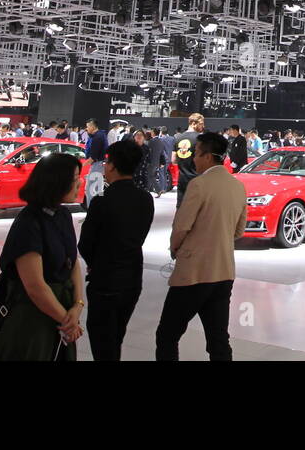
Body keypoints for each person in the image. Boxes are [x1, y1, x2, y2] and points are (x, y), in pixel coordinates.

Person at [155, 131, 247, 361]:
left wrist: (175, 249)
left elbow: (181, 227)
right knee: (218, 340)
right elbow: (239, 231)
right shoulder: (237, 186)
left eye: (196, 154)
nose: (193, 159)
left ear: (207, 156)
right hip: (224, 272)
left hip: (193, 273)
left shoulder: (199, 185)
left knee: (167, 334)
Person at [0, 153, 85, 360]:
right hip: (32, 317)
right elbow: (35, 286)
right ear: (56, 181)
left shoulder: (63, 215)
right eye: (75, 178)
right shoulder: (29, 222)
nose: (79, 183)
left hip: (61, 311)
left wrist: (77, 305)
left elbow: (72, 262)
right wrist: (67, 320)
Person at [78, 140, 154, 362]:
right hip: (132, 278)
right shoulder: (145, 199)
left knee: (102, 338)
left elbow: (85, 244)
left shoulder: (102, 201)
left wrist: (96, 261)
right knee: (116, 335)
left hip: (106, 279)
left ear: (111, 165)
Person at [175, 114, 204, 207]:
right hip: (196, 180)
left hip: (182, 179)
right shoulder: (200, 139)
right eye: (201, 124)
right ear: (194, 123)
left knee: (181, 208)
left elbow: (173, 160)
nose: (203, 126)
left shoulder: (178, 138)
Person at [84, 119, 108, 202]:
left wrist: (81, 165)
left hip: (97, 166)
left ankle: (91, 210)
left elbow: (93, 157)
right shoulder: (101, 135)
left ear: (92, 126)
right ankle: (98, 209)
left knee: (90, 190)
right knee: (99, 190)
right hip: (100, 166)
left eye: (87, 126)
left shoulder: (97, 138)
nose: (86, 128)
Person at [146, 128, 170, 196]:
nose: (151, 133)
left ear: (153, 133)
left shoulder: (151, 141)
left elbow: (148, 152)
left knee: (150, 176)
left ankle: (156, 190)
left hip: (151, 162)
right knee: (151, 176)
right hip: (157, 162)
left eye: (152, 132)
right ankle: (154, 190)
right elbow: (162, 153)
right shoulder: (161, 141)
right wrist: (162, 162)